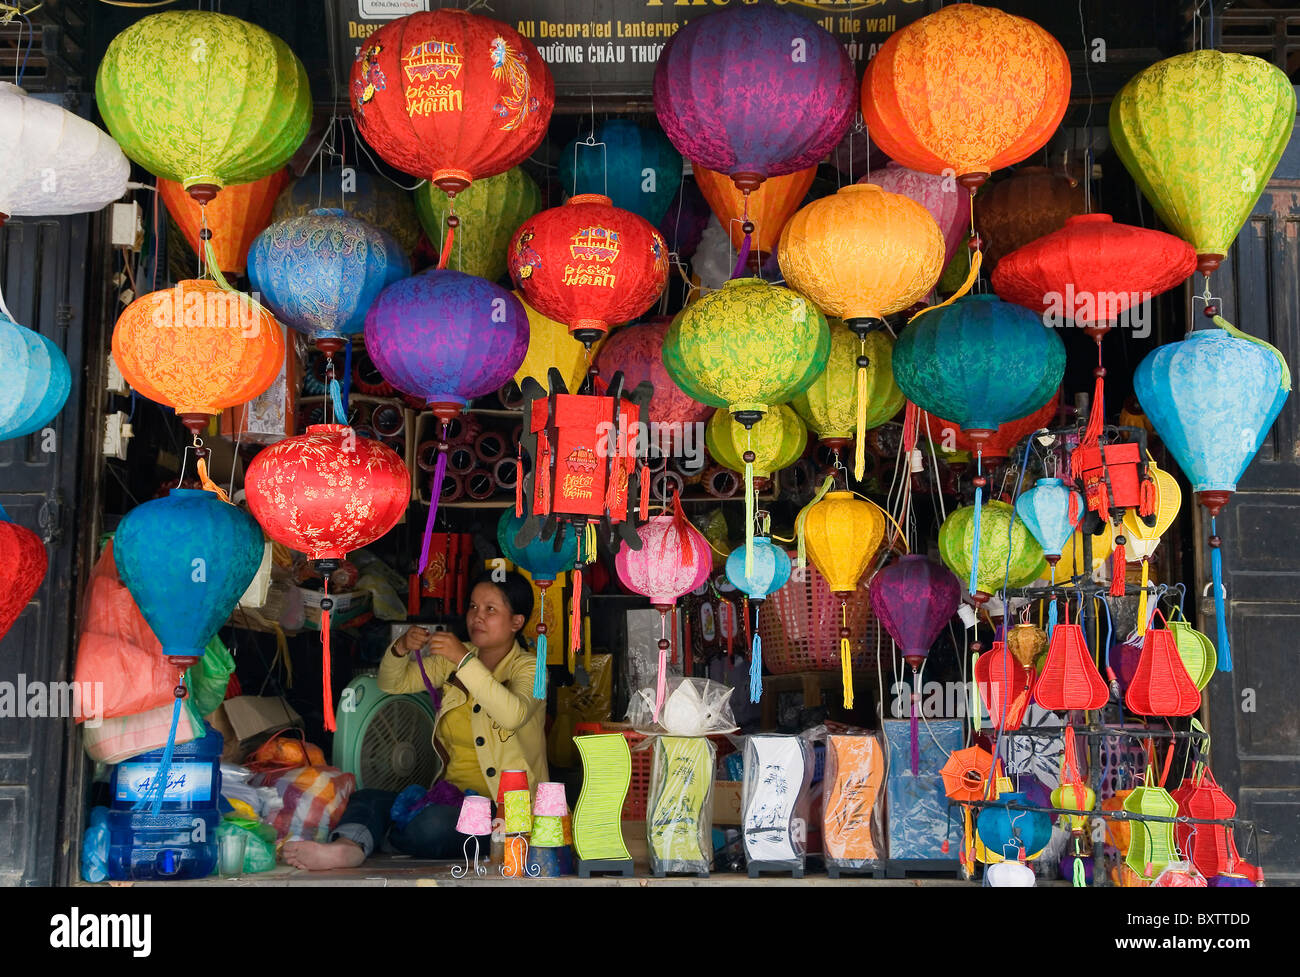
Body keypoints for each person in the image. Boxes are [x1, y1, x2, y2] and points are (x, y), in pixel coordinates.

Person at [282, 571, 547, 870]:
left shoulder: (530, 667)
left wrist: (463, 661)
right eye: (473, 607)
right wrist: (401, 649)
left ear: (516, 622)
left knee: (431, 824)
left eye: (490, 609)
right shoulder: (455, 657)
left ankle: (374, 836)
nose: (477, 617)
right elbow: (392, 683)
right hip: (451, 798)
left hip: (502, 814)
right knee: (369, 796)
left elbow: (513, 715)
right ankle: (349, 847)